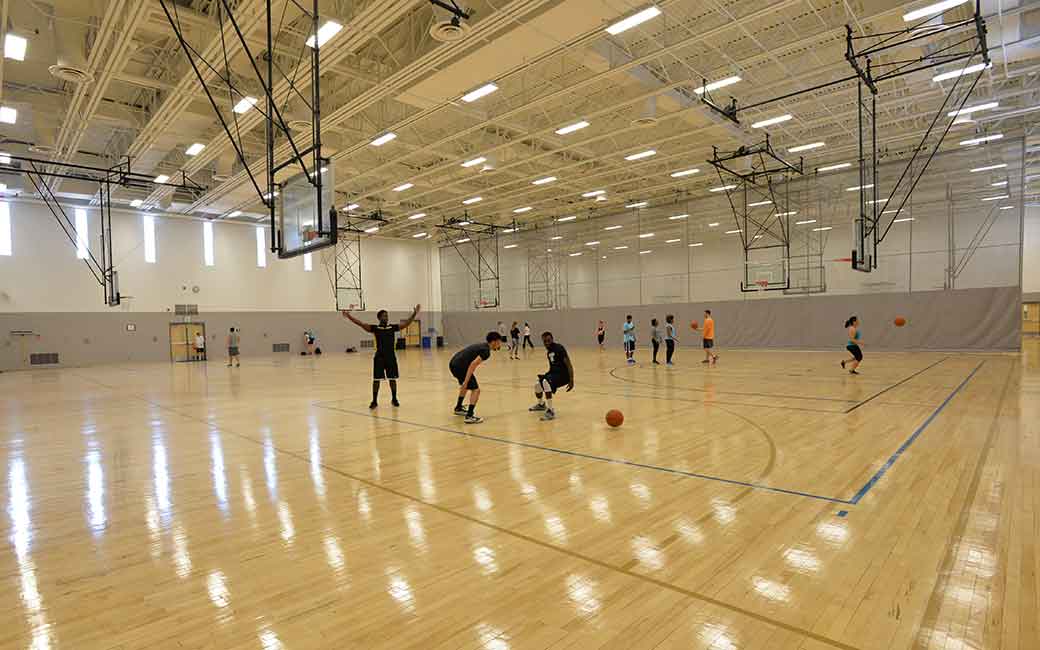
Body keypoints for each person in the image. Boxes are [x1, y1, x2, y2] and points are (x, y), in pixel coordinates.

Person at [342, 305, 420, 409]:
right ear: (379, 318)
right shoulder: (375, 328)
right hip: (379, 358)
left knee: (392, 379)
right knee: (376, 380)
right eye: (384, 316)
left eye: (387, 316)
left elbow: (406, 324)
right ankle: (374, 401)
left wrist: (414, 313)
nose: (386, 318)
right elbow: (360, 323)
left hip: (391, 357)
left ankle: (394, 399)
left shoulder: (392, 327)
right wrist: (349, 316)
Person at [449, 332, 503, 424]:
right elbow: (473, 365)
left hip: (454, 363)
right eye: (499, 342)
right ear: (494, 342)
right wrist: (466, 381)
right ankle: (469, 416)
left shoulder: (483, 346)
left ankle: (458, 408)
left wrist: (465, 383)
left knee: (466, 386)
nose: (500, 345)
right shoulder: (486, 351)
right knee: (476, 390)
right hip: (461, 366)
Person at [528, 331, 575, 420]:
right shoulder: (549, 352)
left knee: (545, 382)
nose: (547, 343)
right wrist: (547, 375)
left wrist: (571, 380)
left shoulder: (559, 348)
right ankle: (541, 404)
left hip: (563, 376)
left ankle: (550, 411)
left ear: (552, 339)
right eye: (545, 341)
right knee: (537, 384)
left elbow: (568, 364)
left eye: (548, 340)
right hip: (554, 374)